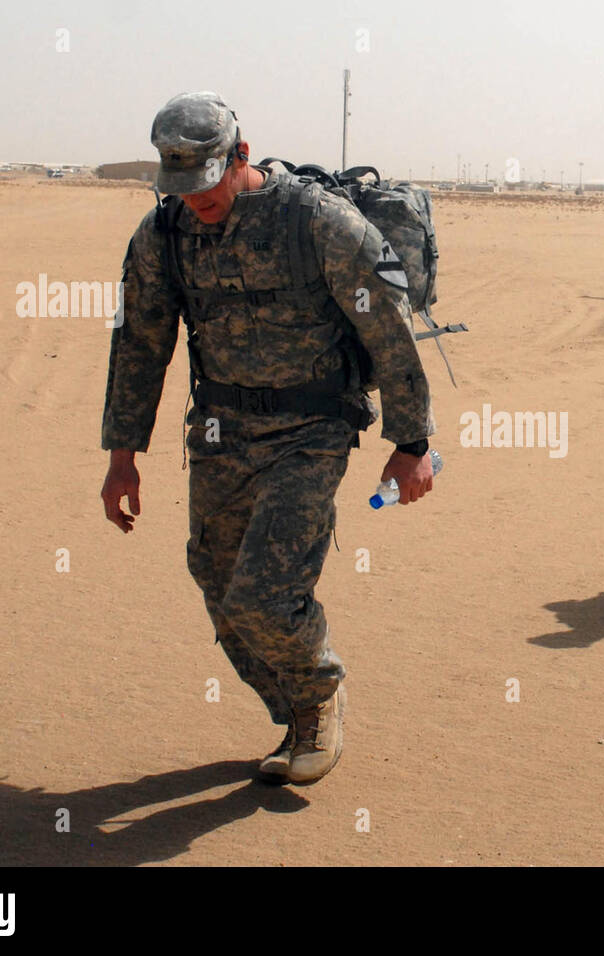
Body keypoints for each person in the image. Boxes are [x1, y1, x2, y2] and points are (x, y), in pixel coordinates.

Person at [100, 92, 436, 783]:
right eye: (181, 187)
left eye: (207, 182)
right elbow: (140, 343)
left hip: (312, 431)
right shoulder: (165, 233)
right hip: (222, 431)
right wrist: (122, 457)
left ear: (241, 156)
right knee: (218, 583)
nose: (197, 200)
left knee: (264, 594)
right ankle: (295, 711)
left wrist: (411, 441)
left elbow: (388, 327)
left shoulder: (316, 222)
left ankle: (318, 697)